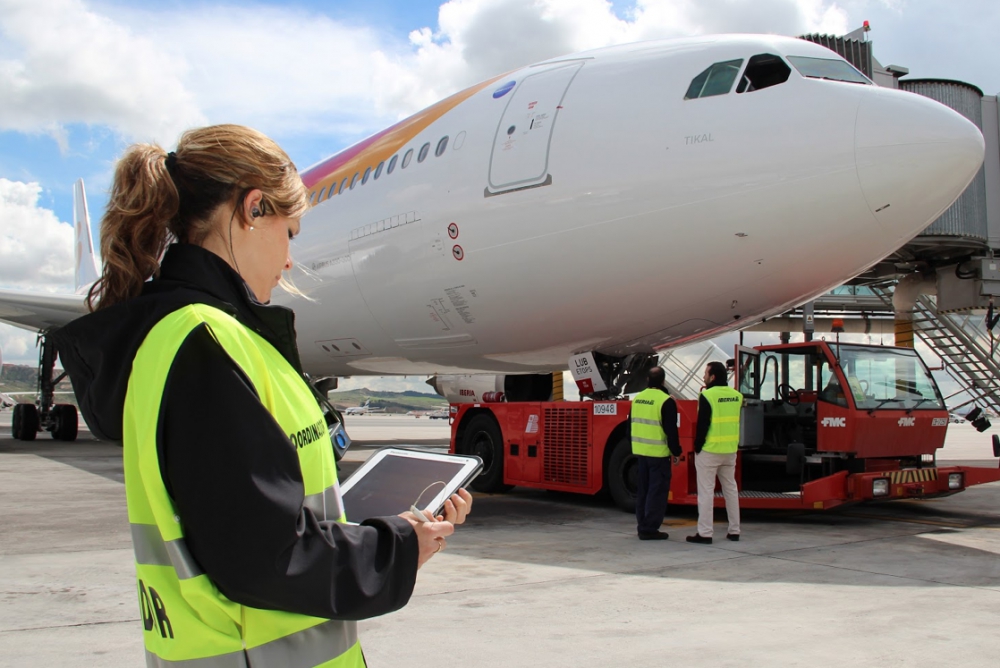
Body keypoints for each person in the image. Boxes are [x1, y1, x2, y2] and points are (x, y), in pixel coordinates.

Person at [52, 125, 471, 667]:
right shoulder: (207, 344)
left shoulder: (193, 336)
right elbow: (266, 558)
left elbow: (251, 519)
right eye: (290, 232)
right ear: (252, 210)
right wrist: (399, 546)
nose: (291, 259)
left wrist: (382, 532)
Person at [687, 361, 743, 544]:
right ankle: (734, 530)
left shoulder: (707, 395)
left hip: (710, 450)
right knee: (731, 490)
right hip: (729, 450)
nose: (703, 376)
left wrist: (697, 446)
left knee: (706, 492)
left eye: (706, 373)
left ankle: (705, 533)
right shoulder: (737, 396)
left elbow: (703, 424)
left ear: (712, 377)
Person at [630, 366, 681, 540]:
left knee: (643, 491)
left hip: (640, 453)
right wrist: (676, 451)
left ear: (647, 381)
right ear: (663, 381)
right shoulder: (666, 401)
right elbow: (671, 431)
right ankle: (649, 529)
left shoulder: (637, 399)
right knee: (657, 492)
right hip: (658, 455)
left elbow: (630, 425)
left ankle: (642, 525)